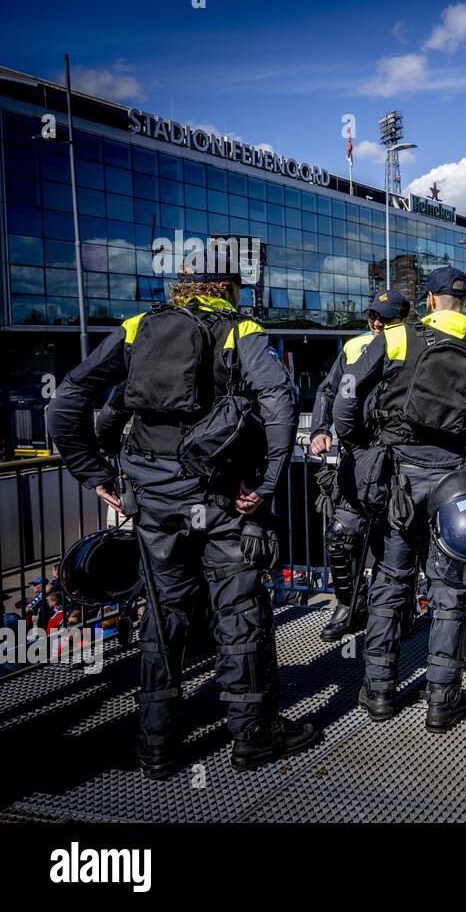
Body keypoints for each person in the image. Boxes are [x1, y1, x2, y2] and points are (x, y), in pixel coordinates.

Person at [47, 263, 316, 779]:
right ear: (226, 290)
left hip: (153, 500)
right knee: (238, 611)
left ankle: (157, 748)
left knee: (163, 614)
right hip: (218, 499)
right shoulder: (241, 330)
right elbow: (280, 404)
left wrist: (92, 472)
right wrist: (265, 485)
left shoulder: (137, 328)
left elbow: (66, 403)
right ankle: (253, 737)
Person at [335, 265, 466, 733]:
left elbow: (346, 398)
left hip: (399, 479)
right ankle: (442, 699)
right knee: (450, 587)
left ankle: (380, 690)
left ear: (428, 301)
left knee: (392, 578)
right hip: (455, 479)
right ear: (465, 303)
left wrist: (364, 443)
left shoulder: (395, 338)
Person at [310, 290, 410, 642]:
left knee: (396, 541)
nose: (376, 323)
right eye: (372, 316)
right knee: (339, 535)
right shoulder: (354, 348)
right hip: (359, 458)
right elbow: (327, 391)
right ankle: (348, 605)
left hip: (400, 462)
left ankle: (401, 612)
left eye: (385, 318)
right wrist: (320, 429)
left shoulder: (416, 346)